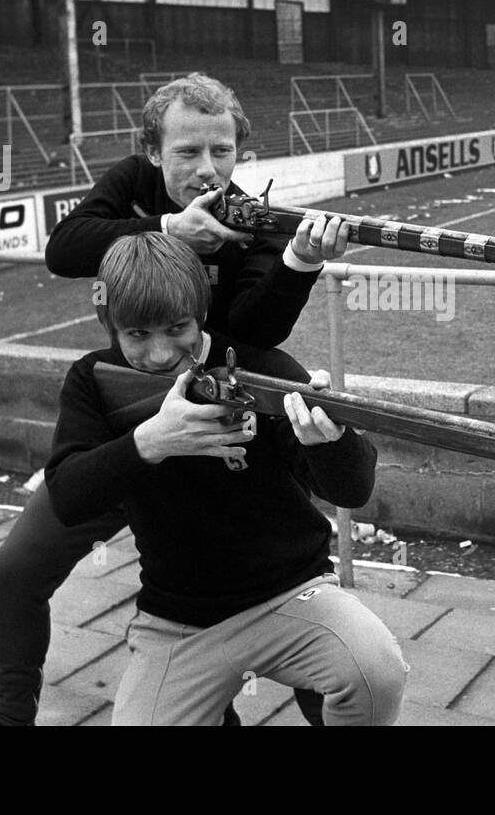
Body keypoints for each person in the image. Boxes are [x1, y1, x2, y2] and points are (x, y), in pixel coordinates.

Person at [0, 73, 346, 726]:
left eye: (221, 151)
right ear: (153, 151)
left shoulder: (252, 217)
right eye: (187, 152)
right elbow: (64, 247)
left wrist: (299, 263)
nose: (207, 169)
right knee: (18, 568)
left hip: (218, 417)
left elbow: (257, 332)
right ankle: (6, 718)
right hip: (122, 418)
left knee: (283, 580)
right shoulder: (132, 185)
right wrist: (168, 230)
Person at [46, 232, 406, 725]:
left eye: (177, 328)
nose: (158, 354)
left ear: (200, 312)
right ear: (108, 323)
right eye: (136, 335)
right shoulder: (94, 380)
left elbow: (351, 489)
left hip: (293, 593)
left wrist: (330, 441)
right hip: (177, 619)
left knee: (376, 670)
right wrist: (150, 441)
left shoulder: (259, 368)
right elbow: (67, 496)